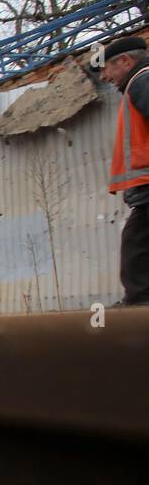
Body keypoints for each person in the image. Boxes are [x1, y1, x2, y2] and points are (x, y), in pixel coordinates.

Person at [98, 36, 149, 304]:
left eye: (105, 68)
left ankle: (139, 309)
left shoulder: (142, 81)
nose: (104, 76)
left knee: (136, 251)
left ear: (125, 61)